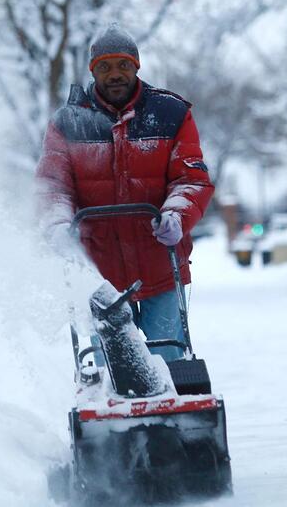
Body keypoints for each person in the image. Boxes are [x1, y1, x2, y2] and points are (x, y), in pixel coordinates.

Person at [36, 22, 214, 362]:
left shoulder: (170, 114)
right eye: (104, 67)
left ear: (136, 65)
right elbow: (52, 186)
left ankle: (174, 410)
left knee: (171, 361)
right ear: (93, 71)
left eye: (122, 65)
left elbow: (190, 178)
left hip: (160, 267)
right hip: (98, 275)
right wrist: (58, 224)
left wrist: (176, 214)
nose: (114, 74)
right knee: (113, 371)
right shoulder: (68, 123)